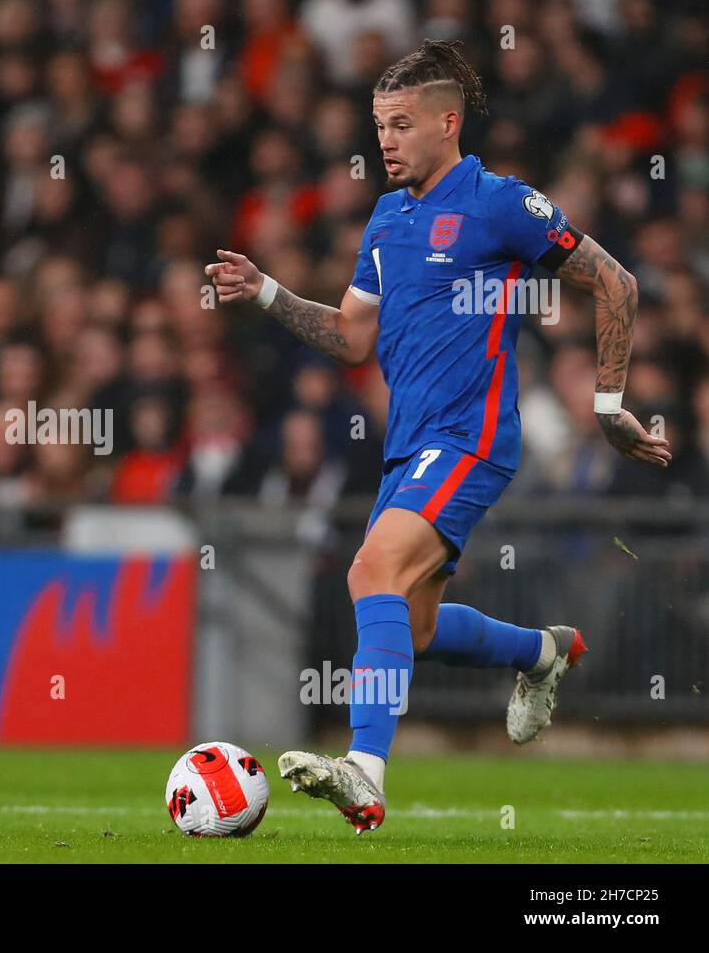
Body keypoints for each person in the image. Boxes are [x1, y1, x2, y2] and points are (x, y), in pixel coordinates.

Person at [206, 40, 670, 834]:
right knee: (412, 628)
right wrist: (268, 292)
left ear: (447, 123)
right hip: (410, 445)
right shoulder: (388, 218)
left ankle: (365, 770)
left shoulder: (499, 203)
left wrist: (606, 405)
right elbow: (352, 336)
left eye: (401, 125)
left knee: (370, 571)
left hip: (470, 436)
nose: (385, 142)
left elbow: (614, 280)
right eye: (379, 126)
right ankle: (542, 653)